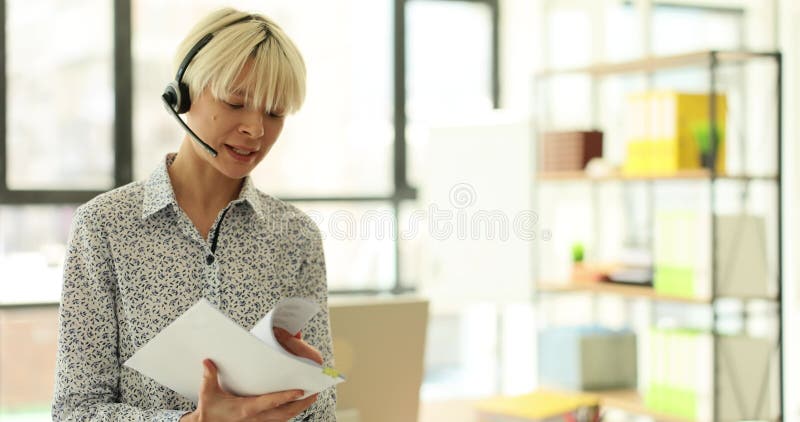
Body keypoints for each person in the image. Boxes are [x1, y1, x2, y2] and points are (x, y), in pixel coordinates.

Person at [52, 8, 336, 421]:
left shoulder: (296, 236)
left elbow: (325, 413)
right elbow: (73, 412)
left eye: (274, 113)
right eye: (236, 102)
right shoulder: (104, 227)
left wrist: (307, 383)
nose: (255, 129)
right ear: (182, 95)